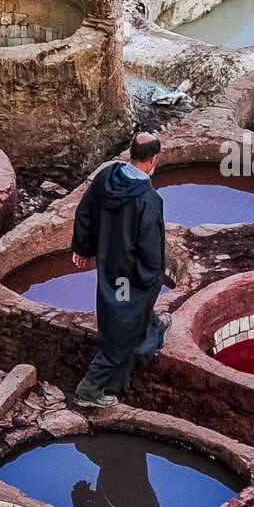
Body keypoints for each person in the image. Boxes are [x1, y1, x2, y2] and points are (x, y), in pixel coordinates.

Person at [70, 132, 170, 407]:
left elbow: (85, 211)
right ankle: (88, 389)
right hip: (131, 273)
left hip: (109, 266)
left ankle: (154, 327)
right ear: (153, 160)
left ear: (130, 154)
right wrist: (153, 275)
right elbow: (150, 245)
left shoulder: (106, 177)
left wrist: (82, 247)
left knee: (122, 312)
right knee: (121, 332)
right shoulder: (148, 199)